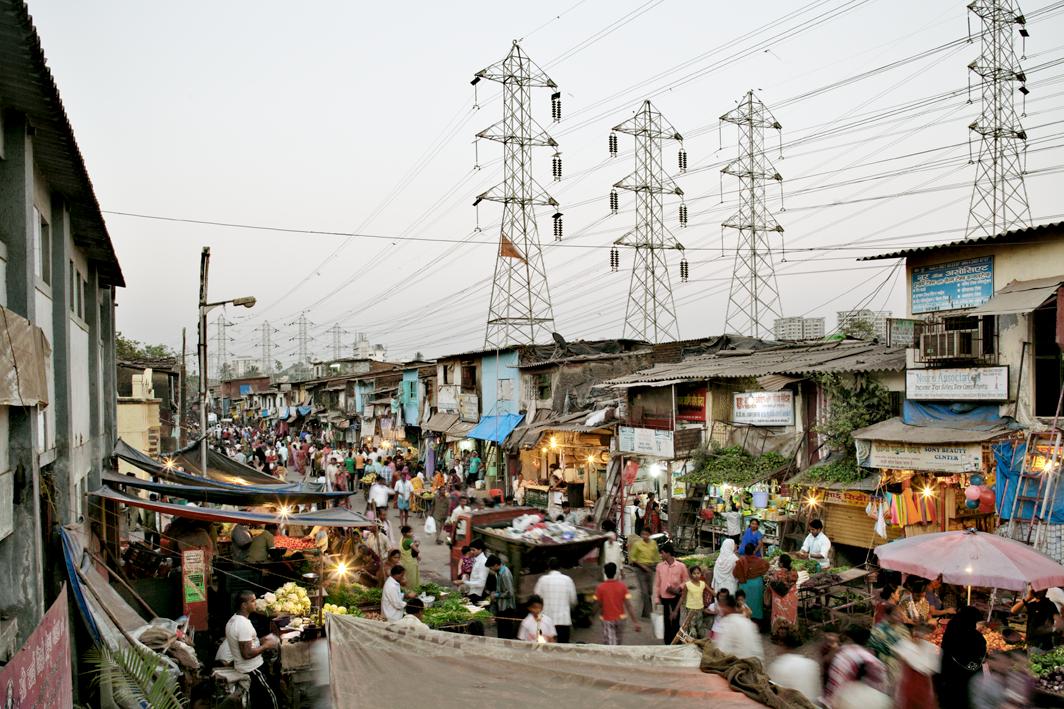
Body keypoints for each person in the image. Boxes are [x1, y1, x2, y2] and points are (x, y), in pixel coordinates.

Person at [225, 590, 279, 708]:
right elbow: (247, 654)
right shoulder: (243, 625)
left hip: (246, 668)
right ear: (244, 605)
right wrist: (266, 645)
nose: (256, 603)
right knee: (271, 697)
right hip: (253, 669)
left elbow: (247, 643)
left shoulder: (234, 620)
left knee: (257, 701)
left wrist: (261, 640)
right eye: (253, 601)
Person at [935, 605, 986, 709]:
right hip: (965, 681)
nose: (980, 626)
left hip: (948, 676)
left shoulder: (952, 628)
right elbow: (978, 657)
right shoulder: (976, 638)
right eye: (978, 623)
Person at [825, 625, 888, 705]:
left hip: (846, 699)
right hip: (872, 700)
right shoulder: (873, 659)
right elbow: (882, 684)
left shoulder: (844, 656)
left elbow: (835, 684)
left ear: (849, 639)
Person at [594, 562, 641, 645]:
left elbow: (597, 604)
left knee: (611, 644)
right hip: (621, 619)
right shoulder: (622, 586)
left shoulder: (600, 587)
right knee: (618, 643)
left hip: (607, 619)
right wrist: (635, 622)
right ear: (615, 572)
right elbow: (628, 605)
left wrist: (592, 616)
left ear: (605, 572)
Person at [533, 557, 577, 643]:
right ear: (560, 567)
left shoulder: (542, 580)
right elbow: (573, 600)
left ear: (548, 567)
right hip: (563, 621)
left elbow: (536, 598)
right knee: (563, 648)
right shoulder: (567, 580)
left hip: (546, 621)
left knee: (546, 648)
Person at [710, 591, 764, 662]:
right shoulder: (747, 622)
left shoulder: (728, 622)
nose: (721, 609)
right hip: (754, 662)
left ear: (729, 607)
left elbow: (722, 649)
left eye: (722, 607)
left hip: (740, 663)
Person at [653, 543, 689, 645]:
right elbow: (657, 583)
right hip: (663, 597)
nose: (661, 555)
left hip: (675, 596)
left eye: (662, 553)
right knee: (666, 621)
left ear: (668, 553)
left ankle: (676, 642)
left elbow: (686, 580)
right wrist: (656, 598)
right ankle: (668, 643)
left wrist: (679, 587)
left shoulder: (681, 566)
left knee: (675, 621)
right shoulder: (659, 566)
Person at [1011, 587, 1061, 652]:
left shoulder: (1050, 605)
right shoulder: (1032, 605)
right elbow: (1013, 611)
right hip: (1032, 643)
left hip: (1045, 644)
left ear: (1046, 590)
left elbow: (1058, 621)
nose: (1037, 591)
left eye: (1040, 589)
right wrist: (1028, 598)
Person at [732, 542, 769, 629]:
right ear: (753, 551)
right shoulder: (759, 560)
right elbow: (767, 566)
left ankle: (744, 625)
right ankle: (757, 626)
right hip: (757, 584)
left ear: (745, 551)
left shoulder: (741, 561)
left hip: (745, 584)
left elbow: (735, 573)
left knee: (745, 604)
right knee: (757, 604)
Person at [766, 553, 799, 642]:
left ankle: (778, 636)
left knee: (780, 617)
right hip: (791, 599)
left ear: (781, 564)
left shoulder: (778, 573)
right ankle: (791, 635)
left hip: (780, 601)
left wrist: (771, 580)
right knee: (790, 616)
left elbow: (773, 583)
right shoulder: (794, 572)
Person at [629, 528, 660, 618]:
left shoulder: (653, 543)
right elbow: (633, 558)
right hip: (640, 569)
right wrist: (643, 567)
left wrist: (657, 566)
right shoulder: (637, 544)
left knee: (650, 591)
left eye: (646, 534)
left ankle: (646, 610)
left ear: (650, 535)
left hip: (650, 568)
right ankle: (648, 613)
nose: (644, 536)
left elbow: (657, 557)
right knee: (644, 592)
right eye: (643, 534)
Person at [487, 555, 518, 639]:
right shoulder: (499, 573)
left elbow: (510, 593)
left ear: (496, 565)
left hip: (507, 608)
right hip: (501, 607)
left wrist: (496, 595)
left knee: (505, 633)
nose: (491, 569)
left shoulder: (505, 574)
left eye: (491, 567)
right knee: (501, 632)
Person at [678, 565, 709, 639]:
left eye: (698, 573)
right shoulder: (687, 585)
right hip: (690, 611)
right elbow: (683, 597)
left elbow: (712, 592)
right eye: (694, 573)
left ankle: (698, 644)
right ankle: (691, 645)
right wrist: (678, 610)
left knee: (700, 628)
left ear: (701, 574)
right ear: (691, 575)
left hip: (700, 610)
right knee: (692, 631)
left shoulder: (703, 584)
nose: (696, 575)